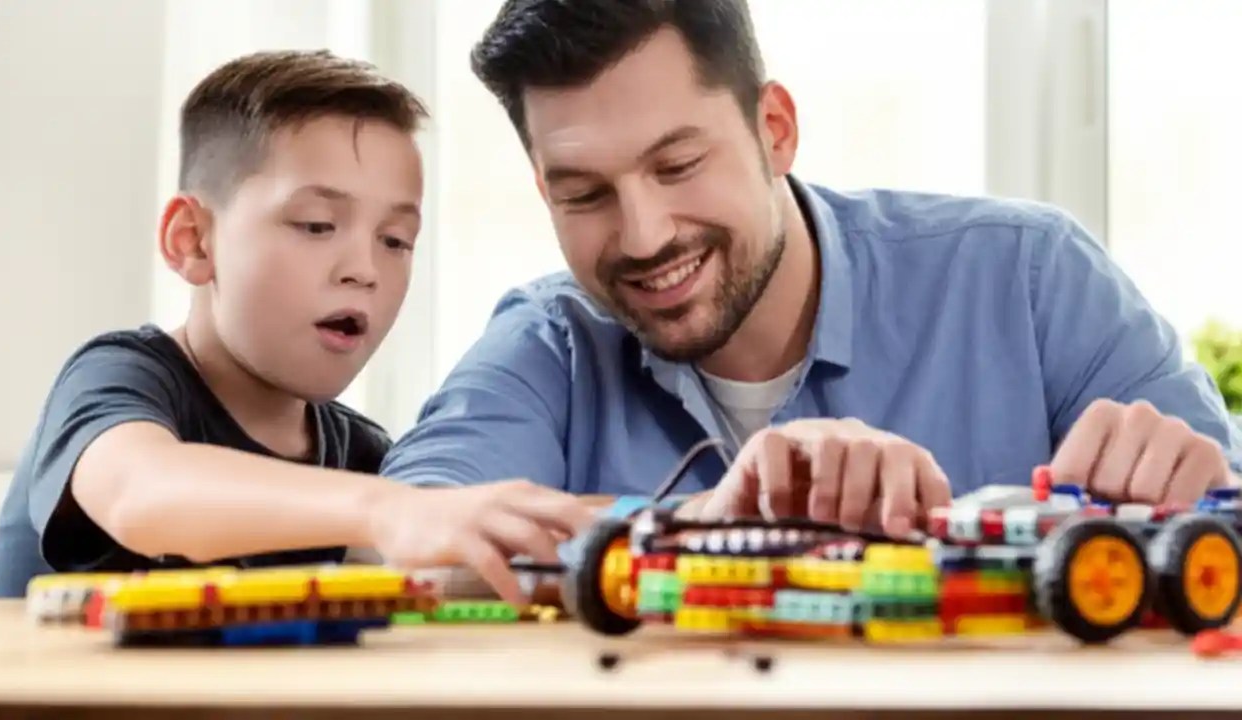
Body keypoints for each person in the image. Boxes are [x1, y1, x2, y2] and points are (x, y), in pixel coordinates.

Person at [380, 0, 1242, 537]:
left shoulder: (1027, 277)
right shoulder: (549, 345)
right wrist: (708, 530)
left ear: (775, 129)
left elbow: (1227, 521)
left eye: (678, 166)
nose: (642, 235)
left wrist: (1201, 499)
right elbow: (393, 539)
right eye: (583, 193)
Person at [0, 50, 593, 602]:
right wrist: (389, 510)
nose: (365, 270)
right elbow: (139, 492)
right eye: (316, 225)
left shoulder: (364, 458)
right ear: (193, 241)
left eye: (396, 240)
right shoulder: (121, 380)